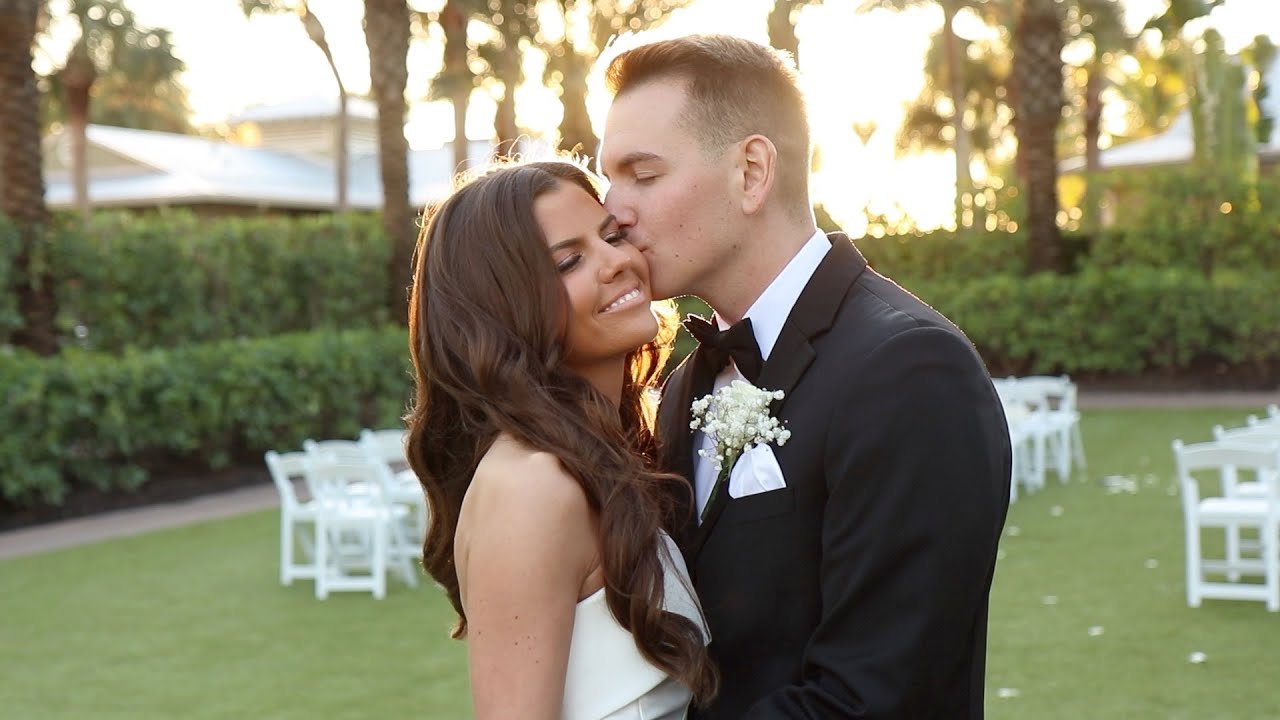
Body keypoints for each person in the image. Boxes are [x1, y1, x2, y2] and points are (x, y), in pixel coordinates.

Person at [598, 34, 1012, 719]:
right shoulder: (681, 388)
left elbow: (875, 694)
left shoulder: (909, 371)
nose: (613, 210)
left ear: (752, 172)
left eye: (642, 174)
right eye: (609, 178)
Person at [404, 159, 717, 719]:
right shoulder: (533, 486)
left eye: (613, 236)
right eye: (570, 261)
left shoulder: (598, 457)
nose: (619, 262)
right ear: (503, 309)